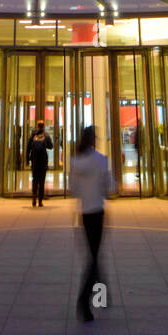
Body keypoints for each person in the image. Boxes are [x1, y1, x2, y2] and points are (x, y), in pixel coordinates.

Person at [70, 125, 114, 323]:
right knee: (94, 257)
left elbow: (74, 190)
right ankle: (84, 301)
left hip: (84, 214)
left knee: (95, 254)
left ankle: (102, 297)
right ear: (92, 140)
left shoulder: (76, 161)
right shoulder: (100, 161)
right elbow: (111, 187)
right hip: (97, 212)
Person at [26, 119, 53, 206]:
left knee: (35, 179)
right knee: (42, 181)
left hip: (34, 160)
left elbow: (28, 148)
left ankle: (34, 198)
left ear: (37, 126)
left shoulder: (33, 136)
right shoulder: (46, 135)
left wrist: (27, 160)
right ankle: (40, 201)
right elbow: (50, 146)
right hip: (43, 160)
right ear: (43, 126)